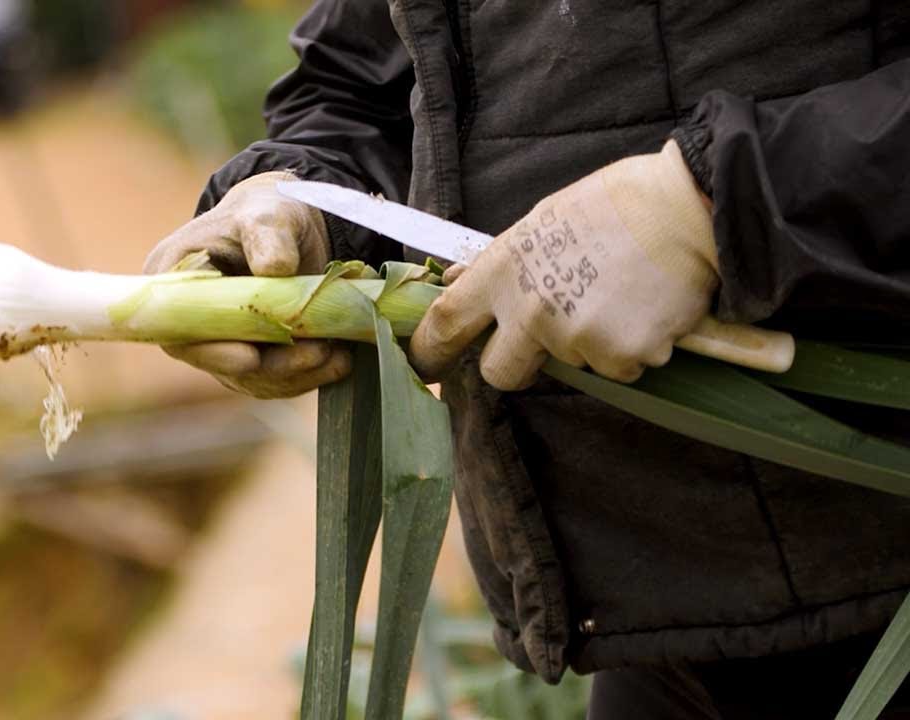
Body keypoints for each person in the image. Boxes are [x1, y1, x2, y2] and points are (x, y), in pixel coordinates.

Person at [142, 2, 910, 716]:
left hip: (874, 559)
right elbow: (365, 77)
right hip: (652, 612)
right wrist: (303, 198)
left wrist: (720, 199)